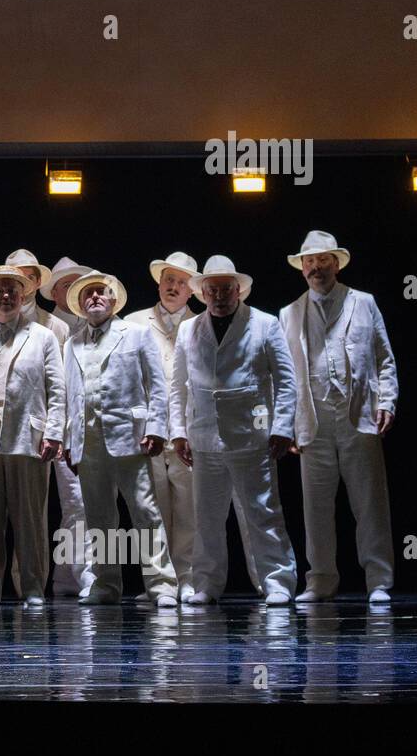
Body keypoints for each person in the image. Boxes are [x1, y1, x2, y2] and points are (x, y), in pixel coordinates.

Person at [169, 256, 299, 605]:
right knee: (207, 518)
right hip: (204, 435)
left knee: (262, 511)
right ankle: (207, 585)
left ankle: (277, 581)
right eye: (212, 289)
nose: (219, 295)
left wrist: (283, 426)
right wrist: (179, 432)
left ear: (239, 290)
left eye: (226, 288)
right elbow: (178, 385)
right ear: (203, 293)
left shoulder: (265, 324)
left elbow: (287, 381)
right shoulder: (189, 328)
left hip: (252, 433)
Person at [278, 231, 398, 603]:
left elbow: (384, 358)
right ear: (302, 268)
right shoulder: (290, 312)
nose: (316, 267)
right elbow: (283, 374)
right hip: (312, 421)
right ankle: (321, 579)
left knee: (369, 502)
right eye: (310, 261)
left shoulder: (364, 302)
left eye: (323, 260)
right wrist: (286, 426)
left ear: (337, 263)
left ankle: (378, 579)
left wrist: (387, 402)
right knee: (315, 508)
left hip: (357, 414)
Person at [61, 271, 178, 606]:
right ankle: (105, 583)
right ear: (81, 304)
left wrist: (156, 428)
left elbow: (157, 386)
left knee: (145, 511)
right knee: (98, 516)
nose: (95, 297)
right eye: (89, 294)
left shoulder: (136, 334)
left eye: (102, 292)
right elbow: (71, 395)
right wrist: (70, 441)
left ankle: (161, 583)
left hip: (130, 436)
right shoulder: (73, 343)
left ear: (113, 299)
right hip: (89, 440)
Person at [0, 265, 65, 608]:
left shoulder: (43, 336)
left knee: (30, 515)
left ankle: (33, 586)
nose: (5, 296)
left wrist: (54, 432)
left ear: (23, 296)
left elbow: (58, 390)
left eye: (12, 290)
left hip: (28, 433)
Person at [124, 252, 207, 602]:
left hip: (187, 431)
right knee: (151, 511)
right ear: (159, 283)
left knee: (188, 509)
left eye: (181, 283)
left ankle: (186, 578)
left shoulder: (203, 324)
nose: (173, 287)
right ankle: (157, 583)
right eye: (168, 280)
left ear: (192, 291)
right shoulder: (133, 323)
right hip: (148, 432)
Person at [42, 256, 92, 337]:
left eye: (77, 283)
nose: (74, 289)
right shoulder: (46, 330)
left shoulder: (99, 319)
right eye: (67, 285)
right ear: (54, 294)